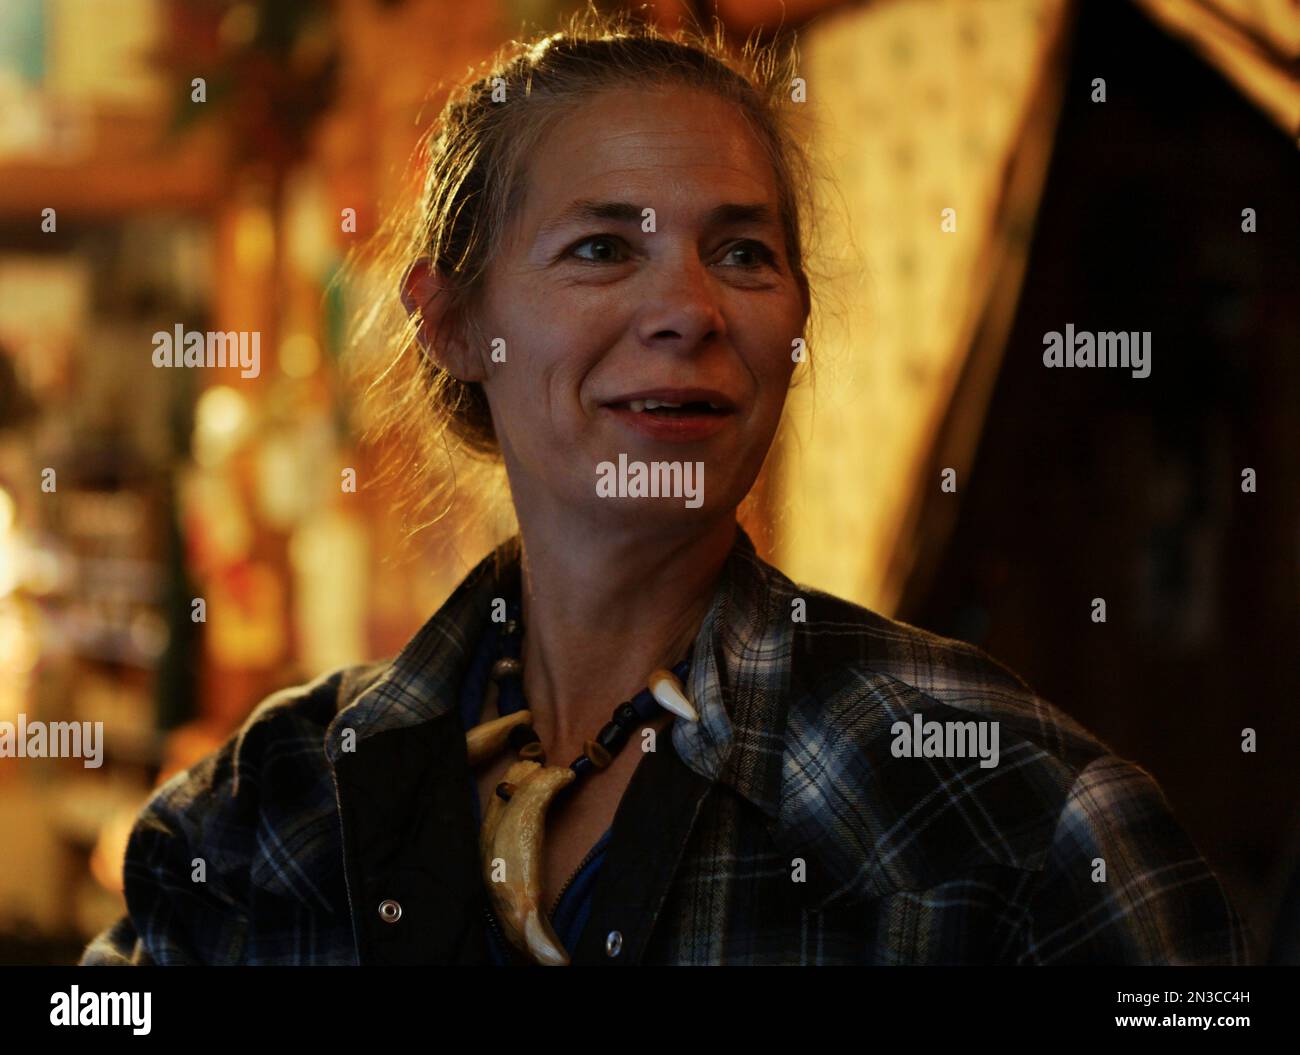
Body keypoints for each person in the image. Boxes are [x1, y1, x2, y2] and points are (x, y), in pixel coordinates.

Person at [81, 11, 1248, 966]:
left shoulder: (1002, 817)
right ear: (450, 320)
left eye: (742, 252)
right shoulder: (270, 812)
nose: (691, 308)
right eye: (602, 247)